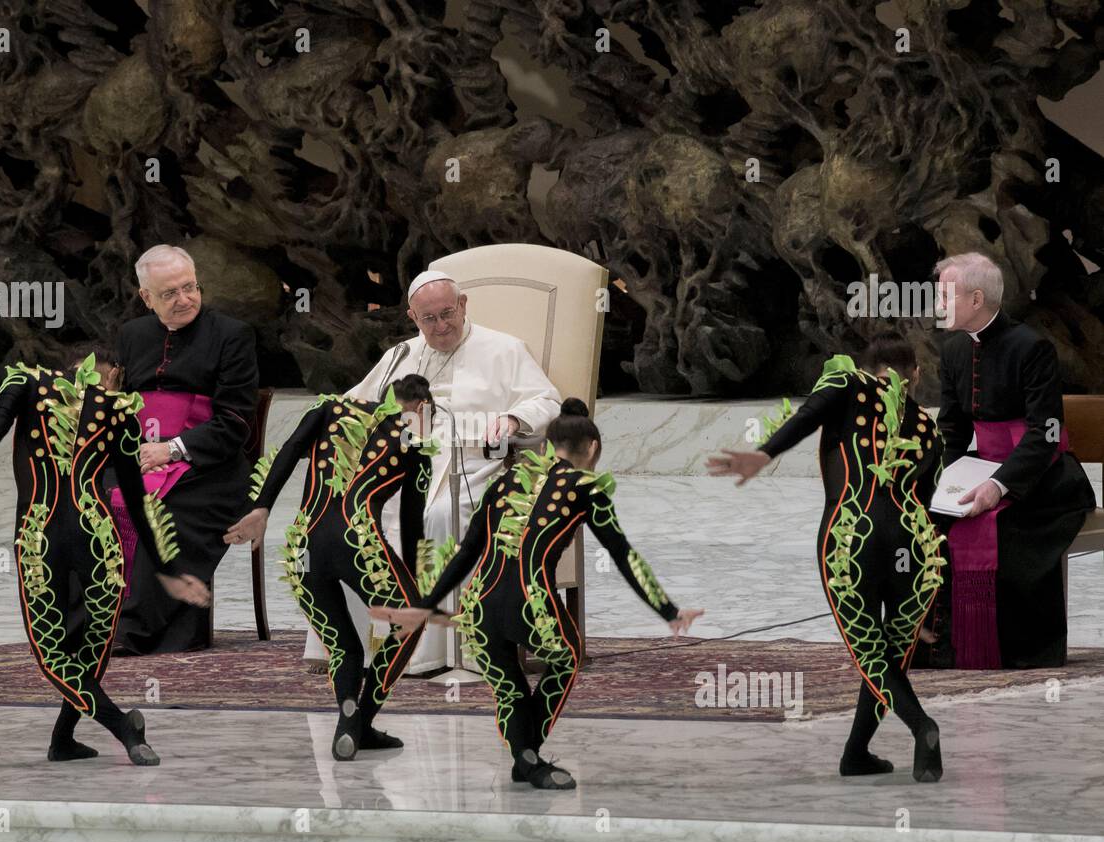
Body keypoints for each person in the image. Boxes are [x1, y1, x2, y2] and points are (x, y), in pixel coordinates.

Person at [373, 399, 701, 789]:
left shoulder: (507, 481)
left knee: (510, 686)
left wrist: (425, 606)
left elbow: (466, 553)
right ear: (592, 448)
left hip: (478, 606)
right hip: (532, 604)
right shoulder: (586, 487)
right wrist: (668, 610)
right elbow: (623, 554)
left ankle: (525, 757)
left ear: (549, 445)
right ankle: (528, 757)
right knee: (567, 657)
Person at [0, 350, 211, 765]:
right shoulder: (116, 409)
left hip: (40, 538)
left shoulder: (28, 383)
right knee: (91, 647)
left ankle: (121, 726)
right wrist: (165, 569)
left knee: (50, 652)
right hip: (98, 542)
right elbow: (138, 501)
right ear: (114, 375)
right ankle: (65, 738)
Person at [708, 334, 946, 782]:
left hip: (850, 537)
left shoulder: (850, 384)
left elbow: (809, 414)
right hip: (914, 549)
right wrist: (930, 599)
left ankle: (922, 727)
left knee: (870, 654)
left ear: (866, 366)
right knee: (889, 655)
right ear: (916, 374)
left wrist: (764, 454)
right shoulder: (929, 429)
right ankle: (856, 754)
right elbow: (930, 510)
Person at [305, 269, 562, 675]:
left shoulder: (505, 350)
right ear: (412, 317)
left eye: (448, 313)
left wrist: (513, 419)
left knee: (438, 514)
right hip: (399, 466)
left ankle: (440, 651)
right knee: (347, 515)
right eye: (429, 319)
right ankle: (359, 644)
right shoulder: (401, 356)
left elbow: (547, 401)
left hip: (474, 463)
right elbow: (355, 403)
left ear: (463, 305)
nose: (441, 326)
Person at [225, 375, 438, 759]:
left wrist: (261, 507)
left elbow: (289, 449)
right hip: (358, 542)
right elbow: (412, 521)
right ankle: (361, 720)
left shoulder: (329, 407)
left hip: (302, 546)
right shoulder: (414, 439)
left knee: (343, 645)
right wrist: (421, 581)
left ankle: (348, 714)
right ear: (422, 409)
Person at [931, 252, 1096, 669]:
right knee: (929, 520)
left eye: (946, 295)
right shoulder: (951, 351)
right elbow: (953, 431)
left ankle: (1016, 652)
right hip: (980, 463)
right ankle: (945, 648)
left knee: (1004, 528)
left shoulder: (1033, 346)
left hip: (1043, 474)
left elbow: (1046, 433)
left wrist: (999, 485)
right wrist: (941, 481)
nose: (938, 305)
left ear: (976, 298)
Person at [112, 244, 259, 655]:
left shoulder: (232, 335)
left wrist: (173, 449)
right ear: (146, 298)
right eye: (170, 293)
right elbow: (121, 407)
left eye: (190, 287)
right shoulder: (132, 335)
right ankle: (91, 619)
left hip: (211, 466)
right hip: (140, 458)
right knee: (89, 499)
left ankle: (131, 629)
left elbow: (236, 422)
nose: (185, 299)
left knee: (164, 512)